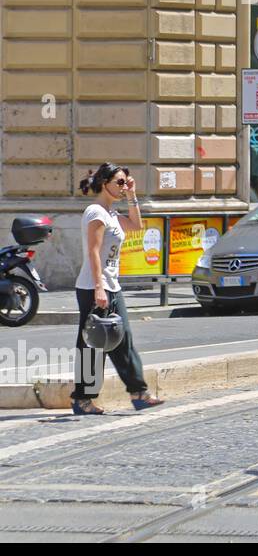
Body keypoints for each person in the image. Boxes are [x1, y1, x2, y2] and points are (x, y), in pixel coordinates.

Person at [72, 163, 165, 415]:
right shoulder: (96, 213)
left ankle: (139, 394)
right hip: (95, 286)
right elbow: (93, 252)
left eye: (126, 182)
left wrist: (132, 194)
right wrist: (99, 289)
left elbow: (137, 226)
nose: (124, 187)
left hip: (112, 285)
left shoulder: (111, 213)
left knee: (122, 339)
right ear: (105, 183)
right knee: (93, 344)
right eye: (120, 183)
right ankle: (82, 399)